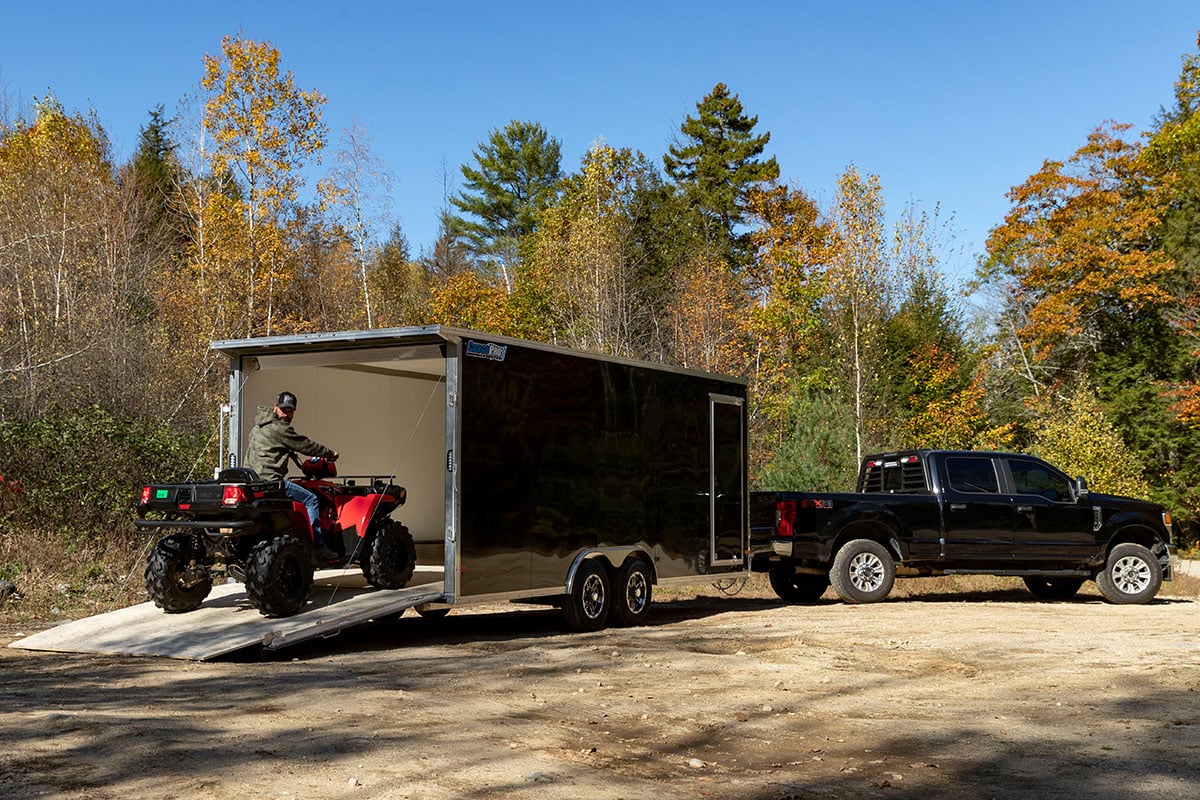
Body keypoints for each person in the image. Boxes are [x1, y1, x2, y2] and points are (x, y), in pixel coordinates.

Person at [244, 391, 340, 563]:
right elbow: (306, 445)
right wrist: (330, 453)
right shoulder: (281, 429)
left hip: (252, 483)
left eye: (290, 411)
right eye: (283, 410)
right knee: (311, 499)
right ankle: (319, 546)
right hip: (272, 483)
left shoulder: (257, 428)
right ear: (275, 407)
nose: (286, 414)